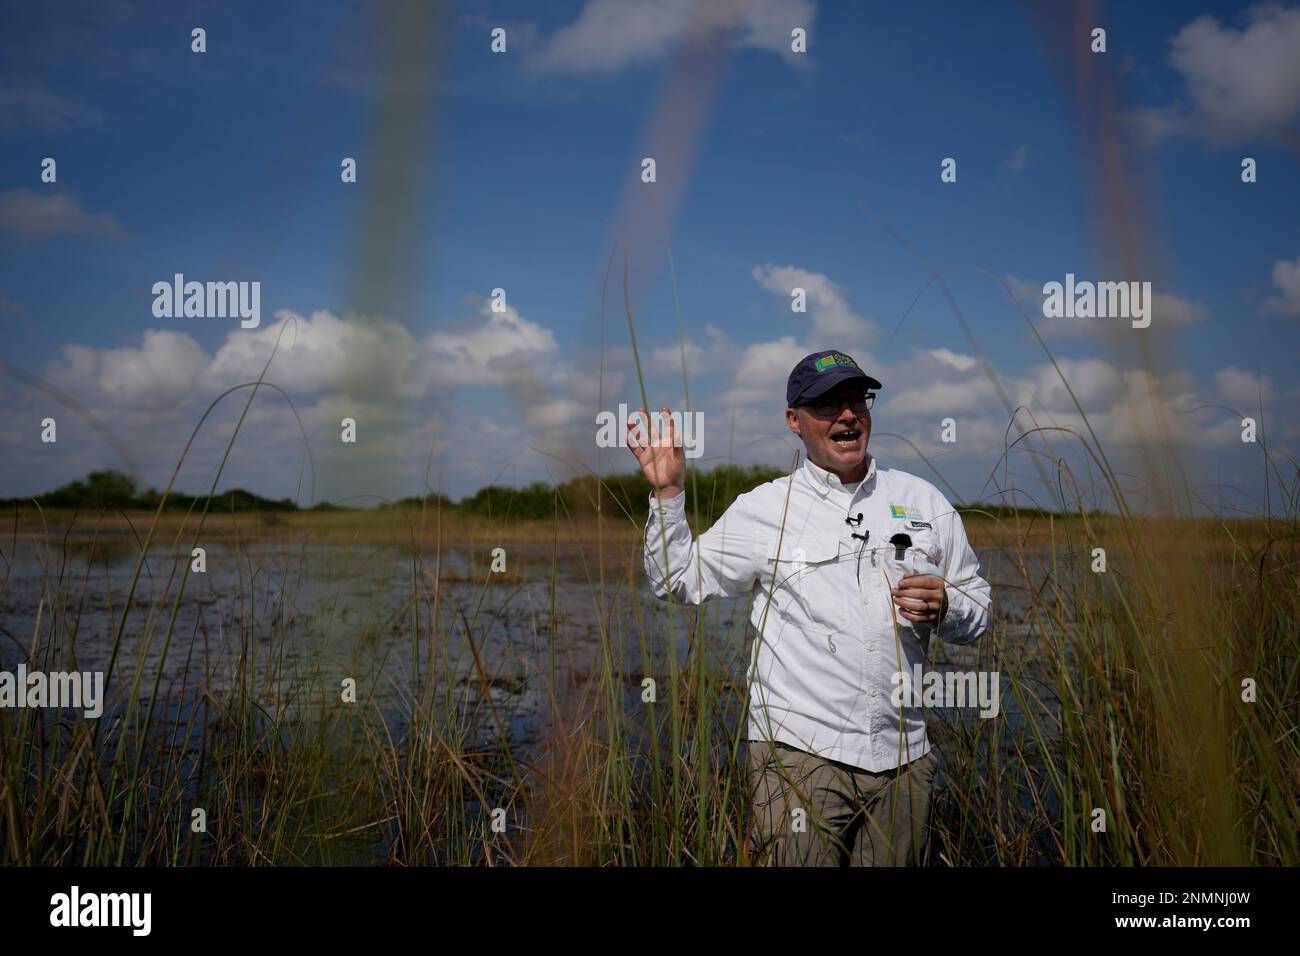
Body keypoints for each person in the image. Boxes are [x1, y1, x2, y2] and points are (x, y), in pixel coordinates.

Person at [628, 348, 991, 866]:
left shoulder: (925, 502)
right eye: (826, 404)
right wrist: (667, 495)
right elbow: (677, 578)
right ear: (794, 421)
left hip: (906, 758)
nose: (847, 414)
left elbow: (979, 608)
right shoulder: (765, 508)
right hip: (799, 758)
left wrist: (949, 604)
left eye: (856, 400)